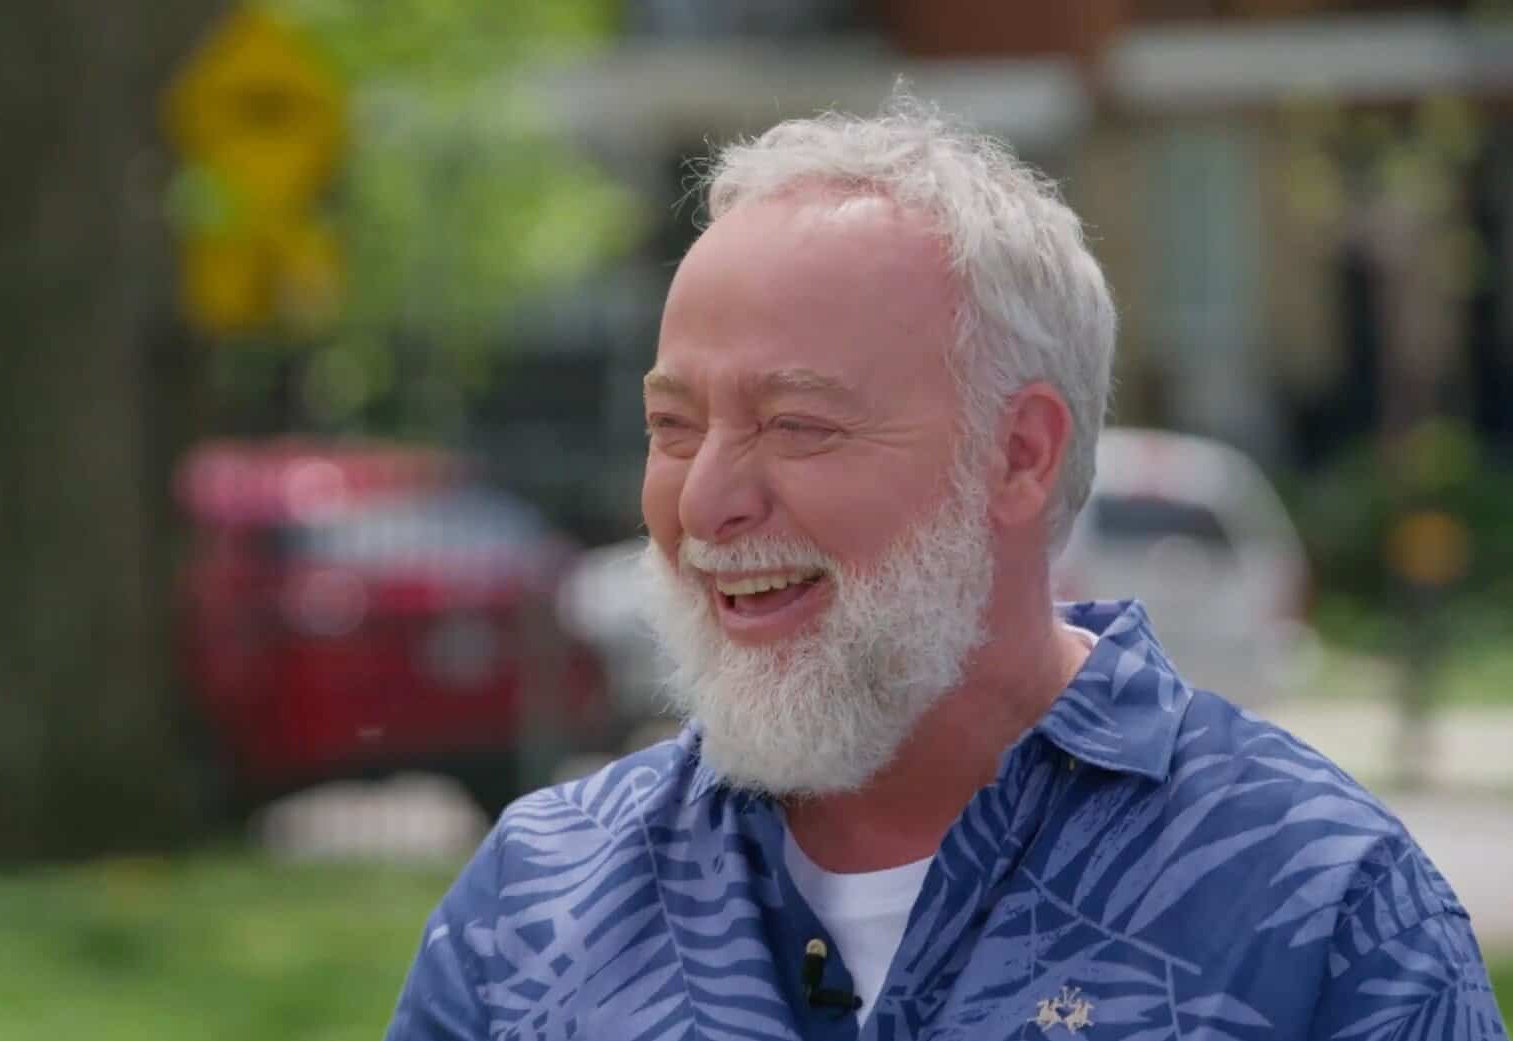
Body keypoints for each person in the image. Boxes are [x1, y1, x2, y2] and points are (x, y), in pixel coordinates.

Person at [385, 99, 1508, 1041]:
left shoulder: (1315, 903)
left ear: (1017, 456)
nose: (704, 500)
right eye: (673, 428)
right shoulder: (534, 904)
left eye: (796, 425)